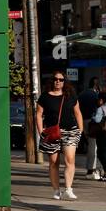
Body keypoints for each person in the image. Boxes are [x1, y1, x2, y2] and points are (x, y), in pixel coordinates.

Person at [36, 71, 84, 200]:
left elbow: (78, 113)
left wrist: (80, 130)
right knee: (53, 162)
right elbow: (39, 115)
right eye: (56, 79)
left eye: (61, 80)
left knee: (70, 159)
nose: (58, 81)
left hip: (70, 130)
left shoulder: (70, 95)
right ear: (52, 80)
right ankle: (56, 190)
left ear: (64, 82)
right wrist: (41, 131)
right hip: (52, 132)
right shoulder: (45, 97)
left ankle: (69, 189)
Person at [77, 77, 102, 179]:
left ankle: (91, 168)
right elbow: (99, 107)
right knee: (93, 146)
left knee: (90, 145)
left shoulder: (82, 94)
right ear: (96, 85)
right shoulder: (96, 95)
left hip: (83, 121)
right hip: (93, 122)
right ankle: (91, 170)